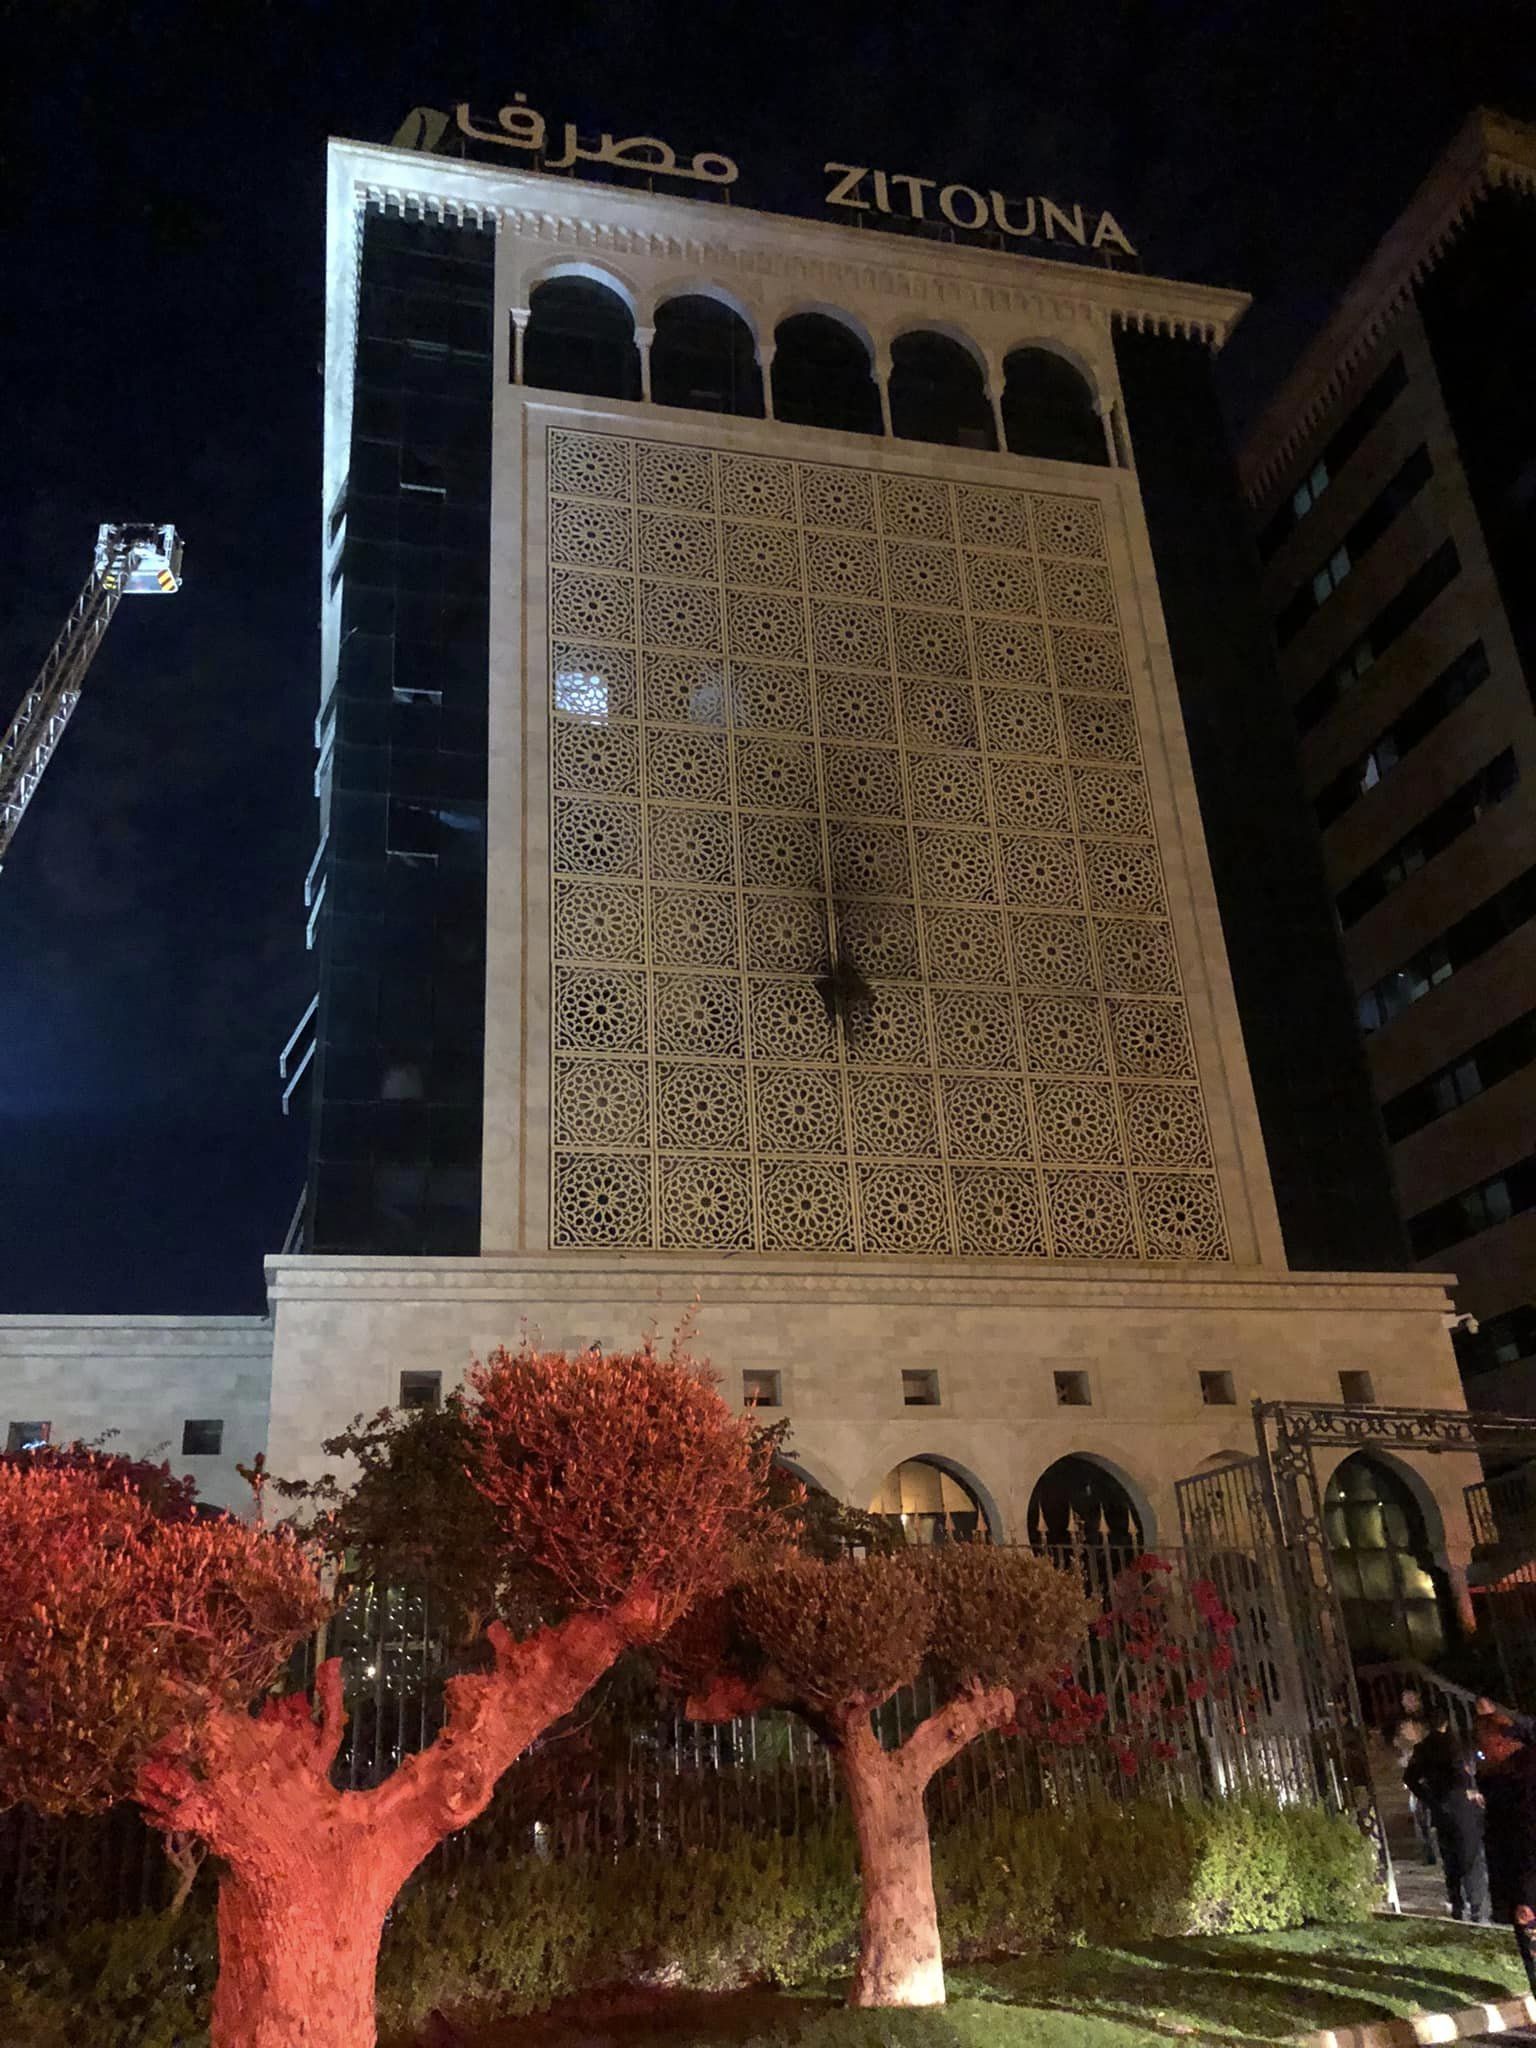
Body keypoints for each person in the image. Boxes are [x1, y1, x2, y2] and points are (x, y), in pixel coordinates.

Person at [1405, 1709, 1489, 1923]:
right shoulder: (1456, 1746)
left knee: (1450, 1859)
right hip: (1461, 1808)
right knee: (1470, 1859)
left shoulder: (1422, 1749)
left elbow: (1410, 1777)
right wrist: (1467, 1792)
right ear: (1446, 1724)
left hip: (1440, 1809)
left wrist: (1429, 1798)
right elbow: (1461, 1775)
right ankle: (1476, 1906)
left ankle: (1457, 1904)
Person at [1386, 1688, 1436, 1865]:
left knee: (1428, 1812)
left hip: (1428, 1773)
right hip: (1414, 1771)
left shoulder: (1426, 1722)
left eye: (1410, 1700)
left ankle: (1432, 1848)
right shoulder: (1403, 1724)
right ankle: (1426, 1850)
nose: (1407, 1704)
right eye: (1404, 1701)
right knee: (1417, 1811)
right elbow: (1398, 1743)